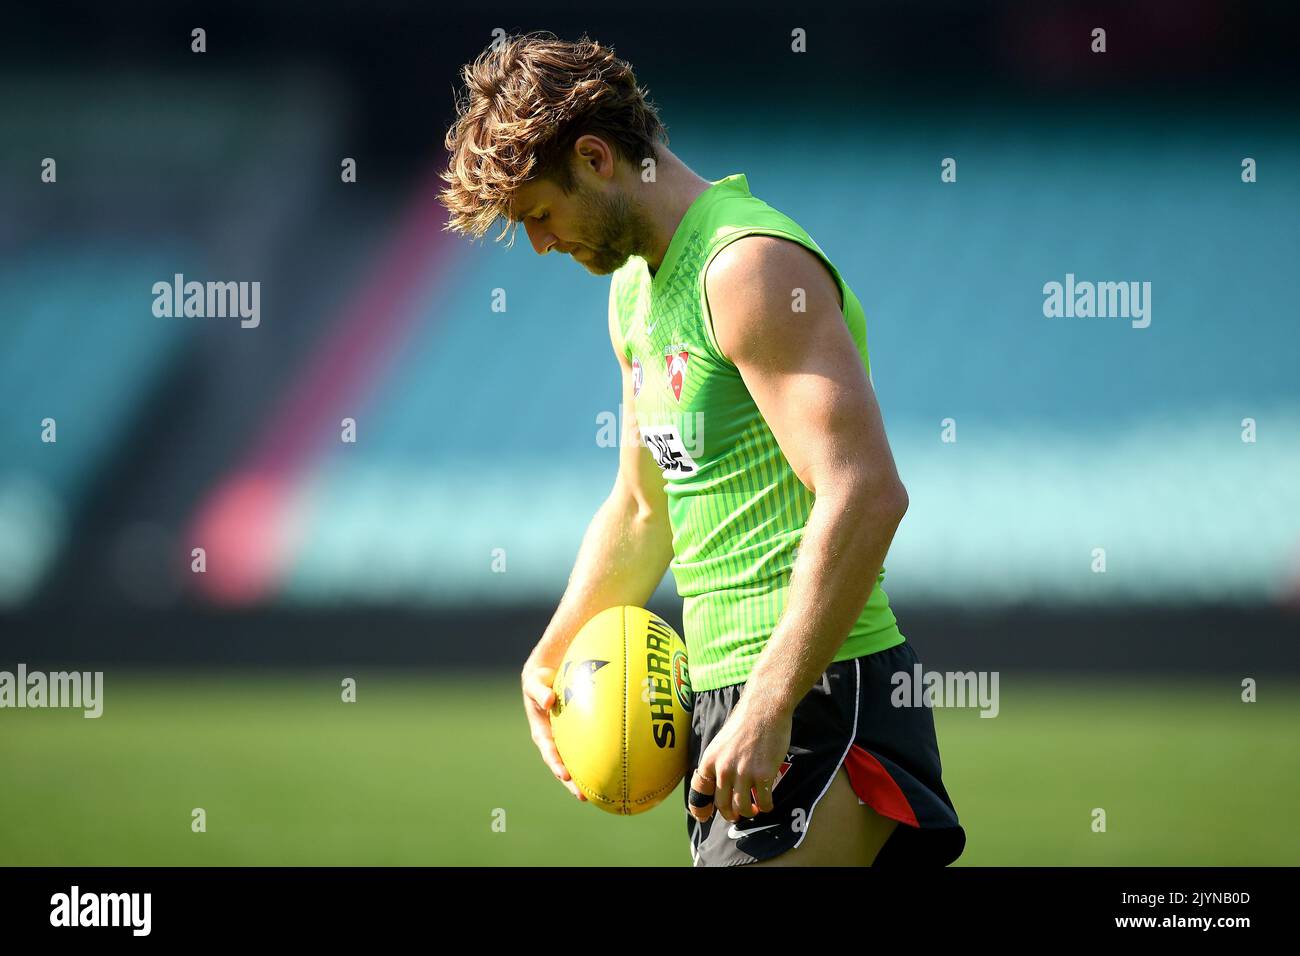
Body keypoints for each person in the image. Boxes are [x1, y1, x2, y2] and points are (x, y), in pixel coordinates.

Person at [439, 33, 964, 866]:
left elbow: (865, 491)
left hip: (821, 693)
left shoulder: (746, 266)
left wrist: (770, 699)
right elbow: (645, 507)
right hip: (726, 704)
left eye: (540, 214)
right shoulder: (634, 291)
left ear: (596, 157)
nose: (541, 245)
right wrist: (552, 650)